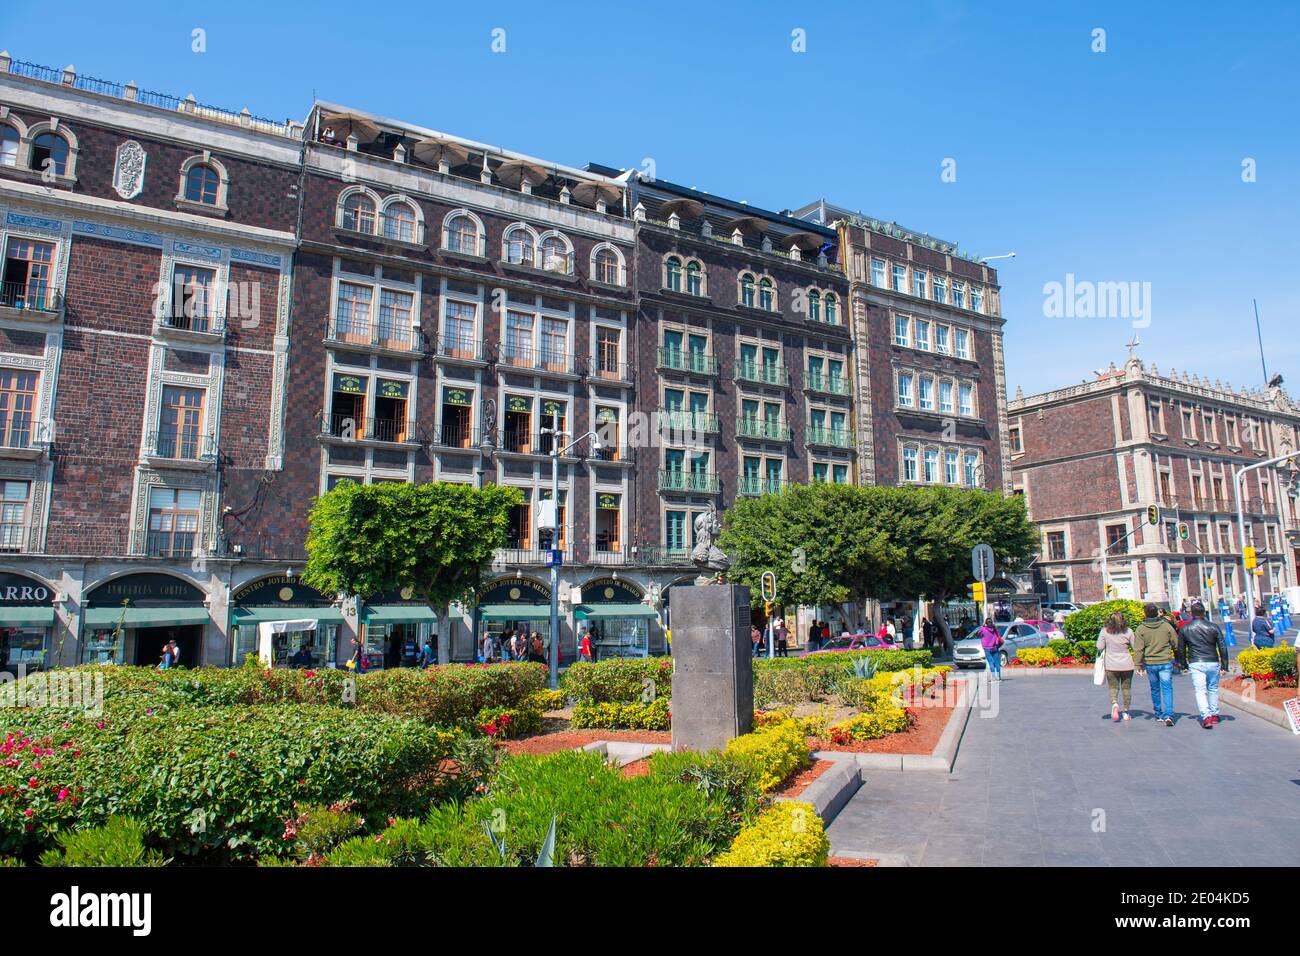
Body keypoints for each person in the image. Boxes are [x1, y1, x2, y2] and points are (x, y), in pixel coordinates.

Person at [1178, 600, 1229, 729]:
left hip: (1196, 662)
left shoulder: (1185, 628)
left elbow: (1181, 649)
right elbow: (1222, 646)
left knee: (1200, 691)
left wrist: (1183, 665)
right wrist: (1225, 665)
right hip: (1212, 661)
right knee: (1213, 688)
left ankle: (1206, 716)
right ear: (1204, 613)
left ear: (1191, 614)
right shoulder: (1213, 627)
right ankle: (1214, 714)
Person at [1133, 603, 1179, 726]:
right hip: (1165, 661)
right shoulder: (1166, 626)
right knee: (1167, 688)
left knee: (1155, 689)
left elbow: (1138, 649)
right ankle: (1168, 714)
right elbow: (1175, 642)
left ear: (1145, 614)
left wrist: (1138, 665)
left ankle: (1158, 713)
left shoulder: (1141, 629)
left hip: (1151, 662)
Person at [1097, 610, 1136, 722]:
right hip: (1127, 664)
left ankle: (1114, 703)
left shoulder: (1104, 631)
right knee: (1126, 688)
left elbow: (1099, 646)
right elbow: (1135, 647)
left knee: (1113, 687)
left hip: (1111, 664)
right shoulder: (1128, 631)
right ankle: (1126, 712)